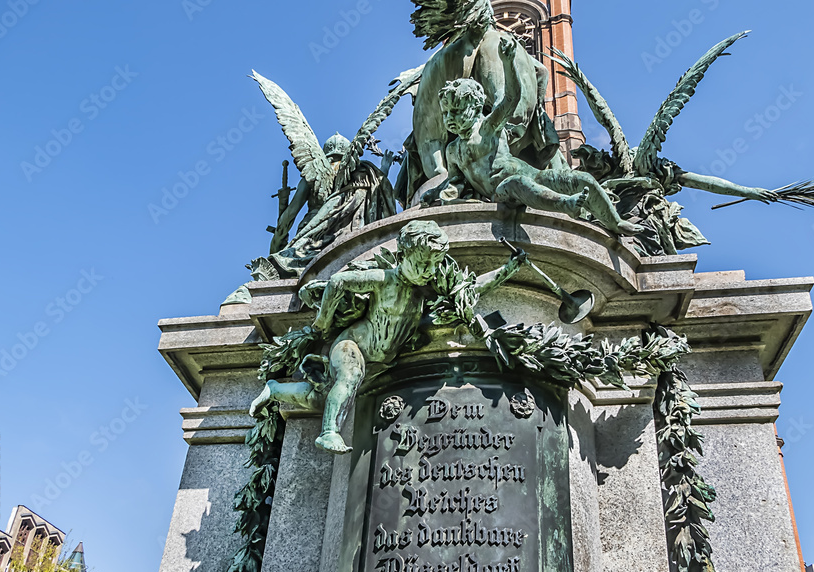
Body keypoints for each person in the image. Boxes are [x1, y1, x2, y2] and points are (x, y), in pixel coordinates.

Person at [249, 219, 525, 454]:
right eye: (422, 264)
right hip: (352, 345)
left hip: (381, 362)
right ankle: (329, 433)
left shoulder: (425, 290)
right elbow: (338, 282)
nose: (428, 271)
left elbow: (468, 292)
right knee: (349, 378)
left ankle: (274, 390)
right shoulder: (384, 279)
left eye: (433, 265)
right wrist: (322, 321)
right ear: (403, 257)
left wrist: (507, 270)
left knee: (325, 398)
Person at [423, 36, 638, 236]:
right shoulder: (452, 151)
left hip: (533, 175)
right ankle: (567, 205)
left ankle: (615, 221)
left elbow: (510, 98)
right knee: (517, 184)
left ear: (476, 107)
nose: (450, 117)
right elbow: (455, 182)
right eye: (446, 112)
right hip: (502, 189)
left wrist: (508, 64)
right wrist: (434, 194)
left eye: (457, 110)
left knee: (582, 179)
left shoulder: (487, 128)